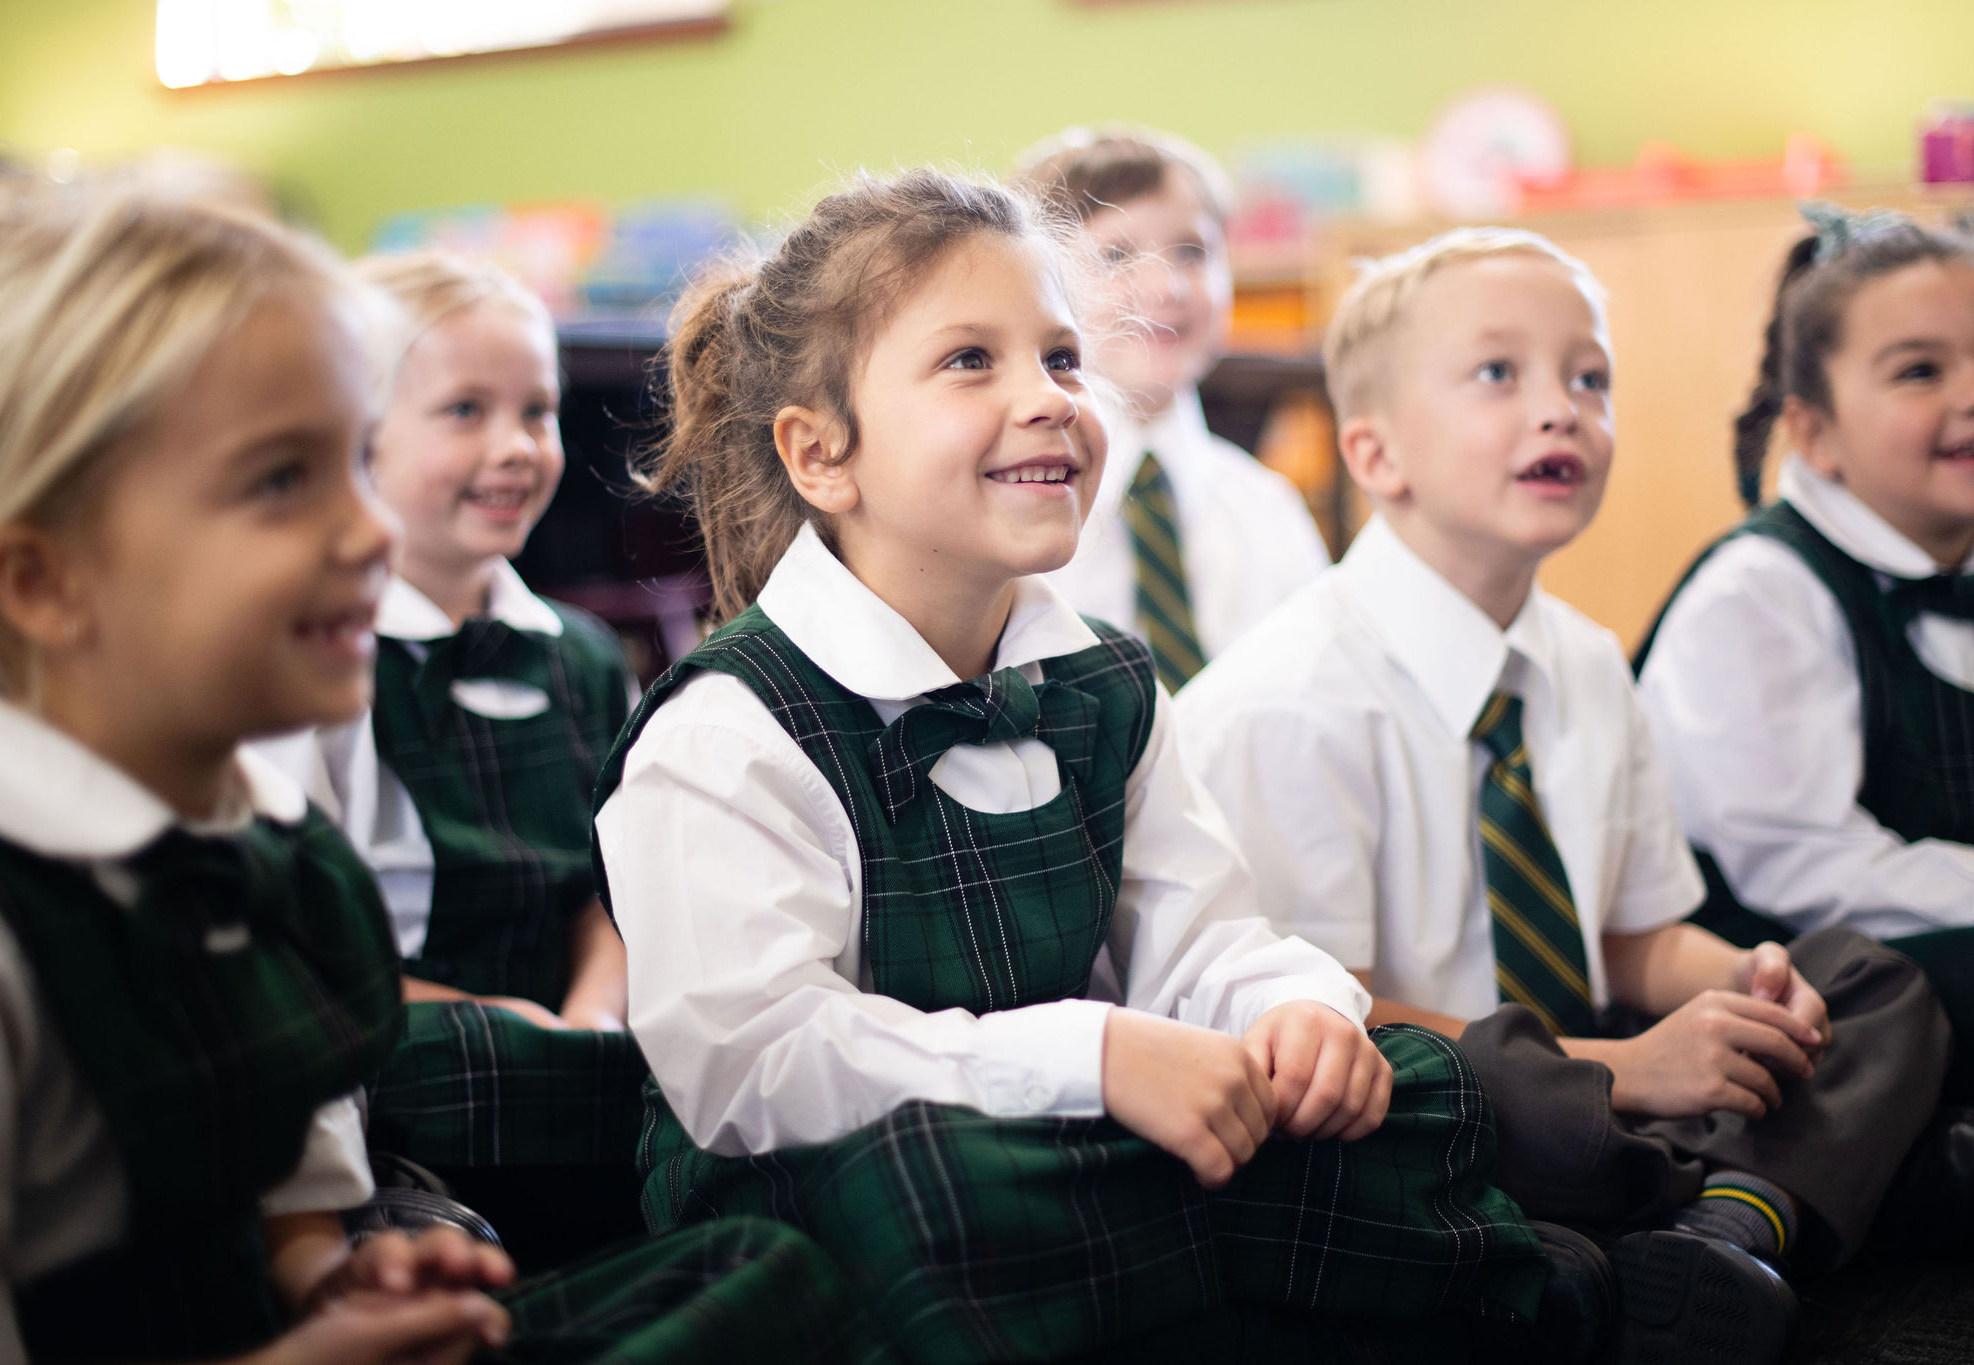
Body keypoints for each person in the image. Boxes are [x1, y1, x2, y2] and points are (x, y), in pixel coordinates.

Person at [593, 168, 1559, 1365]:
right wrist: (1090, 1058)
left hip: (1083, 1139)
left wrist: (1288, 1012)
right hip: (853, 1189)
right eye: (968, 362)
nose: (1046, 399)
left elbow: (1197, 935)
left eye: (1058, 358)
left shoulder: (1102, 680)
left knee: (1410, 1080)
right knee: (926, 1193)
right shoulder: (726, 730)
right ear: (820, 454)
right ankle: (1446, 1290)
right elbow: (754, 1070)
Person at [0, 194, 877, 1365]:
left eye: (353, 461)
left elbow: (289, 1188)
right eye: (284, 480)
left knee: (774, 1268)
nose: (367, 531)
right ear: (42, 581)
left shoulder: (264, 838)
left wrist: (339, 1279)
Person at [1178, 225, 1953, 1364]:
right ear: (1377, 454)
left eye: (1587, 378)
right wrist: (1632, 1072)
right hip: (1421, 1096)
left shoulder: (1585, 662)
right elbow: (1319, 1026)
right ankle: (1787, 1186)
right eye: (1499, 374)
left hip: (1594, 1072)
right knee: (1491, 1111)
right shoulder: (1289, 699)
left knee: (1875, 978)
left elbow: (1633, 939)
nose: (1561, 410)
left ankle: (1722, 1224)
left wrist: (1746, 984)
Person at [254, 251, 646, 1262]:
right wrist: (501, 1015)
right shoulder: (320, 656)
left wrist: (593, 1011)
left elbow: (613, 889)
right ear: (359, 432)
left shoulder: (585, 654)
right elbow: (301, 947)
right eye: (465, 411)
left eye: (537, 411)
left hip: (571, 1019)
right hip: (398, 1018)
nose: (515, 447)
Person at [1636, 206, 1974, 1110]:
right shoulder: (1761, 592)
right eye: (1920, 371)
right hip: (1787, 985)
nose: (1970, 394)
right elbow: (1804, 866)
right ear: (1814, 433)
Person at [1019, 127, 1330, 692]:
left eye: (1193, 251)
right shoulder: (1012, 511)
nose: (1166, 287)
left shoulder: (1269, 512)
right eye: (1115, 255)